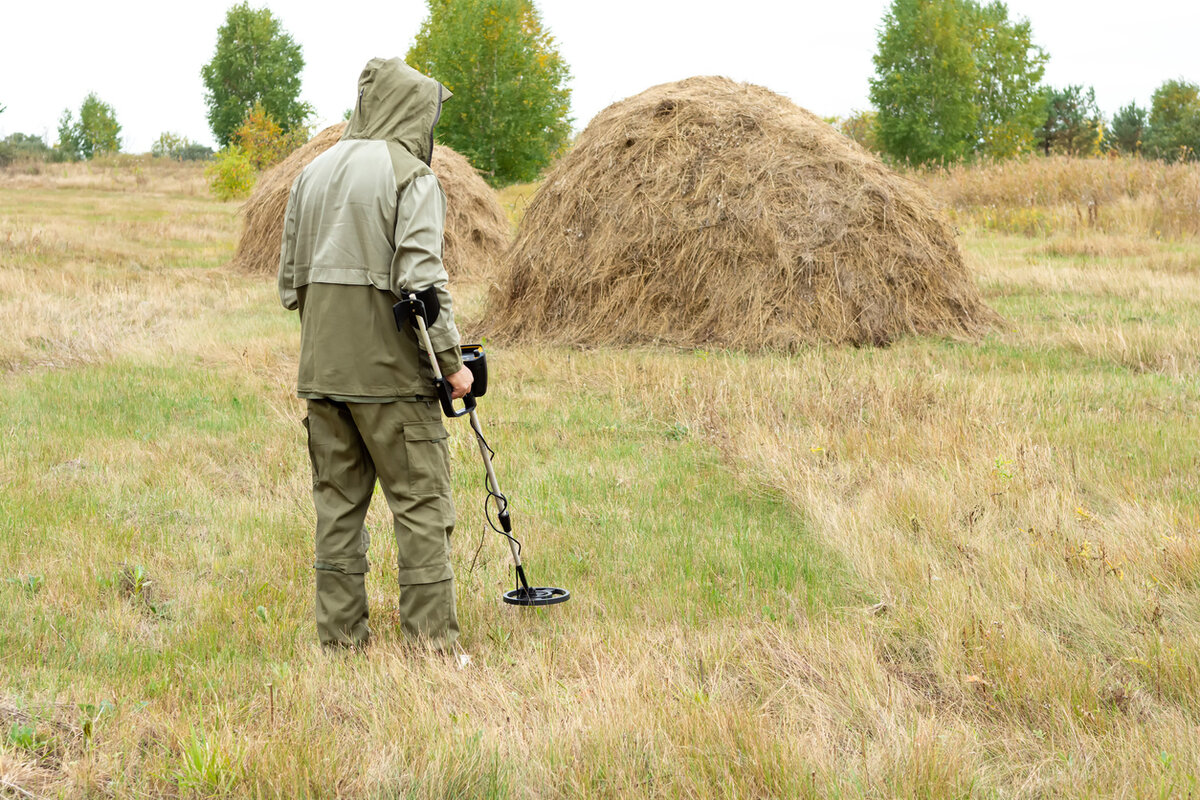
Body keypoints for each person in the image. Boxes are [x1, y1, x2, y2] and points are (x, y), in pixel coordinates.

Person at [278, 57, 472, 650]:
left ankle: (338, 642)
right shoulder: (411, 176)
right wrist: (452, 364)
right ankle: (429, 645)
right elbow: (420, 282)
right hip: (392, 379)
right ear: (413, 111)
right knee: (420, 504)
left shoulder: (310, 175)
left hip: (322, 373)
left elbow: (290, 285)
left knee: (337, 507)